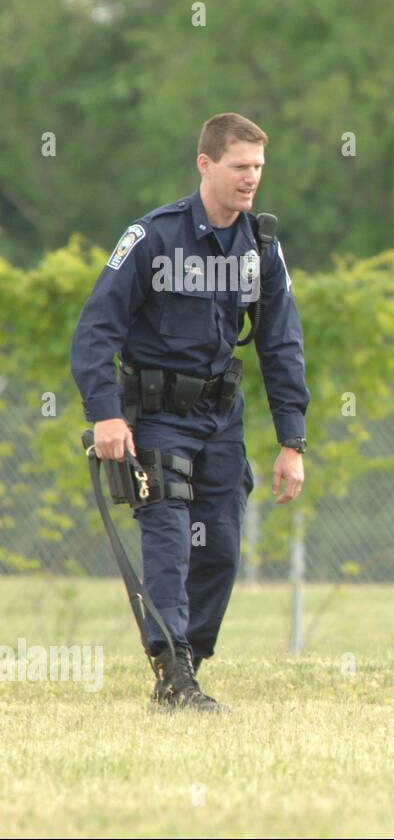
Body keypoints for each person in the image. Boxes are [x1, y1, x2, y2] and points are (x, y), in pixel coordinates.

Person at [71, 112, 309, 711]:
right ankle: (172, 670)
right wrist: (106, 414)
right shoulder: (152, 238)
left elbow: (282, 344)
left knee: (221, 548)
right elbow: (96, 332)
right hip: (154, 416)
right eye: (239, 166)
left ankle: (188, 666)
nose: (251, 178)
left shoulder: (262, 247)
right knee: (170, 541)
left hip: (222, 417)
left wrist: (292, 441)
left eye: (258, 167)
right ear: (205, 164)